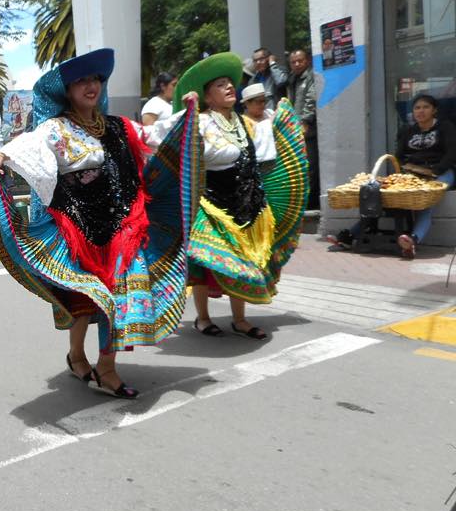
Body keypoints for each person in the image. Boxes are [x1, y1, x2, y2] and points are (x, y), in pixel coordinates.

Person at [0, 48, 201, 399]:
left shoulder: (117, 126)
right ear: (67, 91)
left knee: (115, 294)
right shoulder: (55, 128)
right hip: (76, 226)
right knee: (84, 297)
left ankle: (106, 368)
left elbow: (152, 136)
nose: (90, 86)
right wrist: (3, 153)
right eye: (81, 81)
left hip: (123, 225)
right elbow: (30, 144)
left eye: (95, 79)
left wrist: (186, 114)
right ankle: (76, 355)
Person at [157, 52, 308, 340]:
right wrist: (189, 112)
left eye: (229, 83)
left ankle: (240, 320)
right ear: (207, 96)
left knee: (245, 260)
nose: (229, 87)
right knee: (204, 262)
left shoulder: (244, 122)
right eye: (220, 85)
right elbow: (165, 136)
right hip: (211, 204)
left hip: (247, 205)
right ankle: (203, 318)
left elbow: (262, 154)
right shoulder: (200, 121)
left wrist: (285, 125)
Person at [328, 94, 455, 258]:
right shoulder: (408, 130)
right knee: (380, 198)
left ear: (434, 110)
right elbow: (399, 156)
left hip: (441, 172)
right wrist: (406, 170)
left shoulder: (445, 127)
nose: (421, 111)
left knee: (426, 202)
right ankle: (350, 236)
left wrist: (436, 171)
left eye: (426, 107)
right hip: (413, 174)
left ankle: (412, 241)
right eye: (417, 108)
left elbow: (452, 153)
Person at [287, 49, 320, 209]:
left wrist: (305, 121)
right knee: (299, 168)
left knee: (310, 168)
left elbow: (311, 99)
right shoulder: (292, 78)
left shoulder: (311, 75)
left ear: (307, 60)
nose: (297, 64)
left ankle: (311, 204)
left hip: (308, 130)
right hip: (296, 130)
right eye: (293, 62)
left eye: (300, 60)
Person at [239, 83, 277, 175]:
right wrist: (277, 113)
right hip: (260, 168)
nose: (263, 104)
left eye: (265, 101)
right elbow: (259, 133)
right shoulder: (243, 121)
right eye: (259, 102)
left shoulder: (269, 113)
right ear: (247, 103)